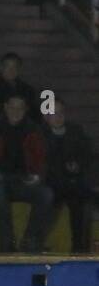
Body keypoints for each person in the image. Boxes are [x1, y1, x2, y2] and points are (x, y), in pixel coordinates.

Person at [0, 94, 53, 253]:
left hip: (22, 180)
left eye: (20, 108)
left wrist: (37, 176)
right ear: (5, 107)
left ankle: (29, 239)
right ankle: (6, 243)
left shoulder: (33, 129)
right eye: (12, 107)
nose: (16, 111)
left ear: (25, 110)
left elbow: (41, 158)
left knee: (46, 194)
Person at [43, 100, 92, 253]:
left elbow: (85, 155)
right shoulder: (39, 134)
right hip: (49, 181)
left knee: (79, 197)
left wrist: (76, 165)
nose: (57, 117)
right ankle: (38, 241)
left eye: (60, 113)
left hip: (73, 181)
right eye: (53, 113)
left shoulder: (75, 131)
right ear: (46, 117)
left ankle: (79, 245)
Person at [0, 53, 36, 123]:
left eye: (15, 67)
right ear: (1, 68)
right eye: (7, 66)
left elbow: (33, 113)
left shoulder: (28, 90)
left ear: (19, 69)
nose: (11, 70)